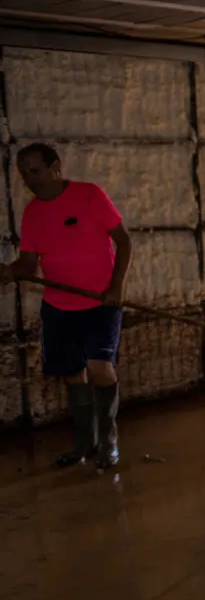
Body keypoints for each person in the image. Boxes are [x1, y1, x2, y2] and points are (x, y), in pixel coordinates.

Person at [0, 143, 132, 469]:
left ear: (55, 166)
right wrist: (9, 272)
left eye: (36, 170)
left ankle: (109, 443)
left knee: (99, 367)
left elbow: (124, 241)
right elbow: (29, 264)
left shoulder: (89, 195)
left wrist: (116, 285)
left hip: (102, 301)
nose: (31, 179)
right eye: (24, 174)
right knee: (73, 375)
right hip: (59, 308)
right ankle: (85, 445)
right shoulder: (32, 214)